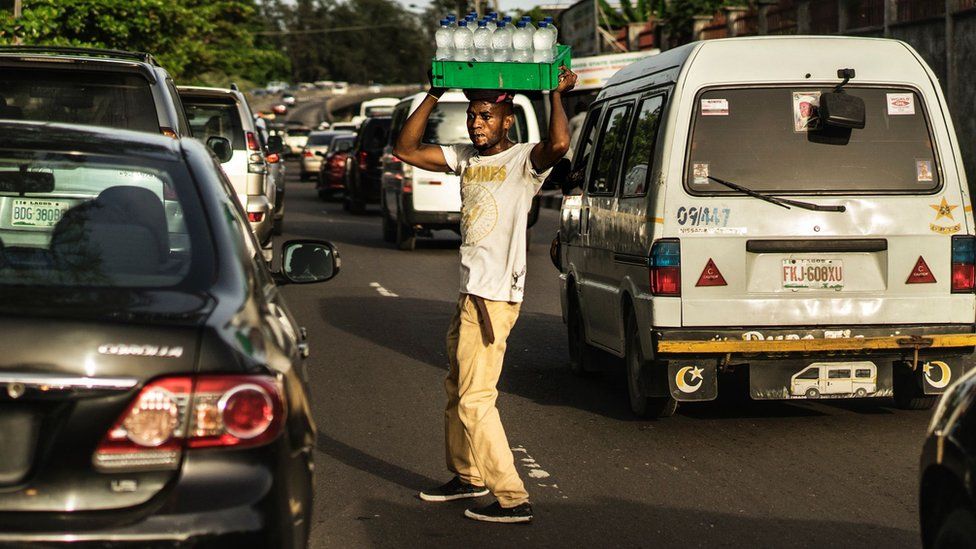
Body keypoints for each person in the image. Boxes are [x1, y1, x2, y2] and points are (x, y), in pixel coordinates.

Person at [393, 66, 578, 524]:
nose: (477, 124)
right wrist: (434, 94)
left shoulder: (523, 162)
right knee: (456, 387)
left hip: (493, 298)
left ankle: (512, 497)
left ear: (507, 120)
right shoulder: (466, 158)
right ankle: (467, 475)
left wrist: (555, 96)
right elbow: (405, 149)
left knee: (477, 398)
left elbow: (558, 146)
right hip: (468, 293)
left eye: (486, 117)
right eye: (472, 116)